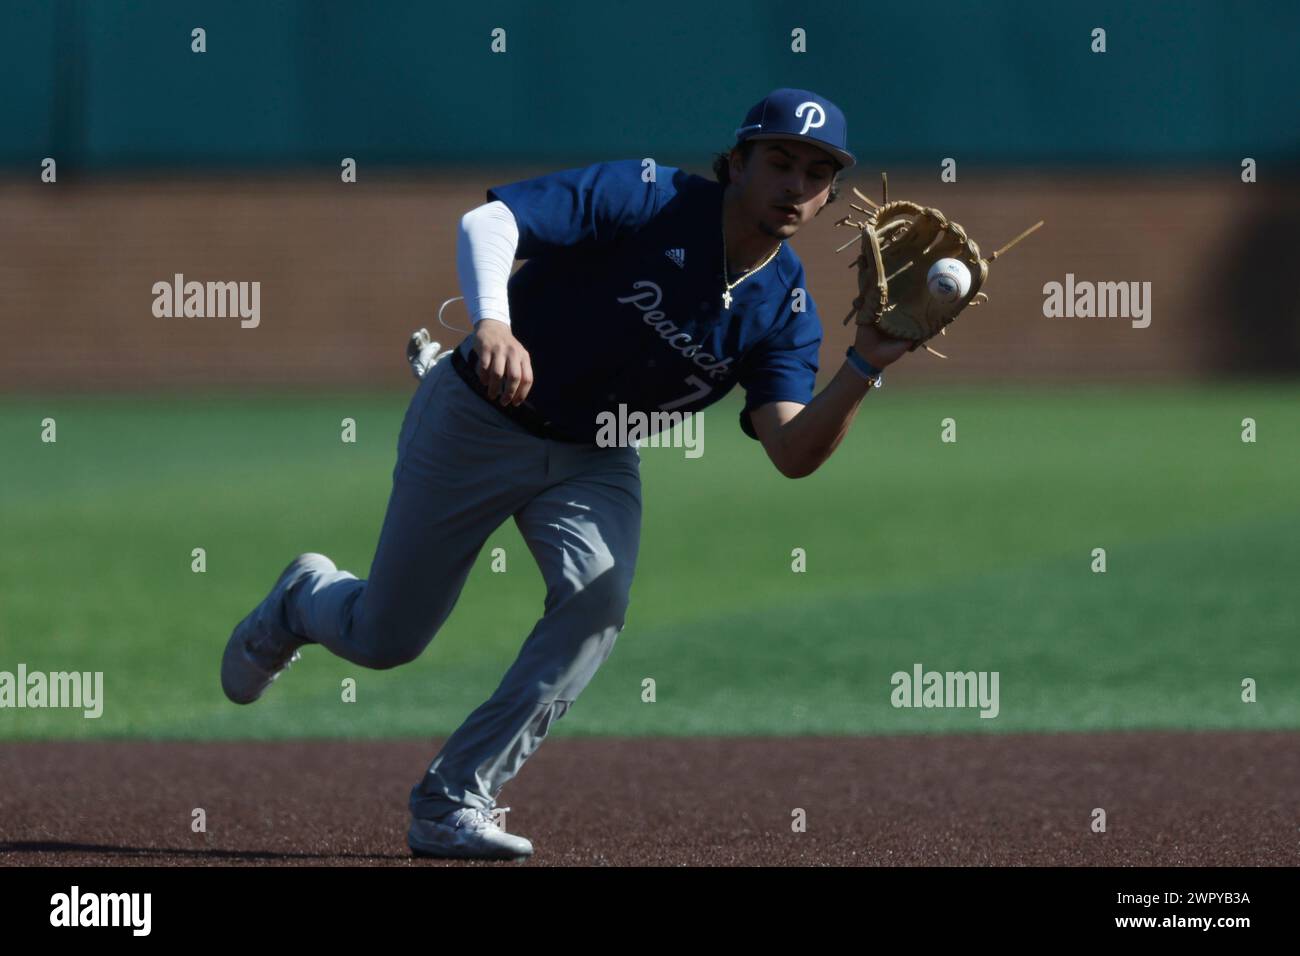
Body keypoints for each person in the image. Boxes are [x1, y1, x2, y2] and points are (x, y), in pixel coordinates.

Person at [220, 87, 912, 861]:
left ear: (829, 197)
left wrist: (865, 364)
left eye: (816, 174)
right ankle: (300, 600)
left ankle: (453, 800)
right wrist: (492, 322)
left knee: (598, 598)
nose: (794, 185)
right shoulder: (651, 196)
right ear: (738, 162)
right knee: (386, 639)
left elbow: (791, 451)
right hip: (478, 417)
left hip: (596, 456)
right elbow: (490, 221)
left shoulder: (785, 309)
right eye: (779, 161)